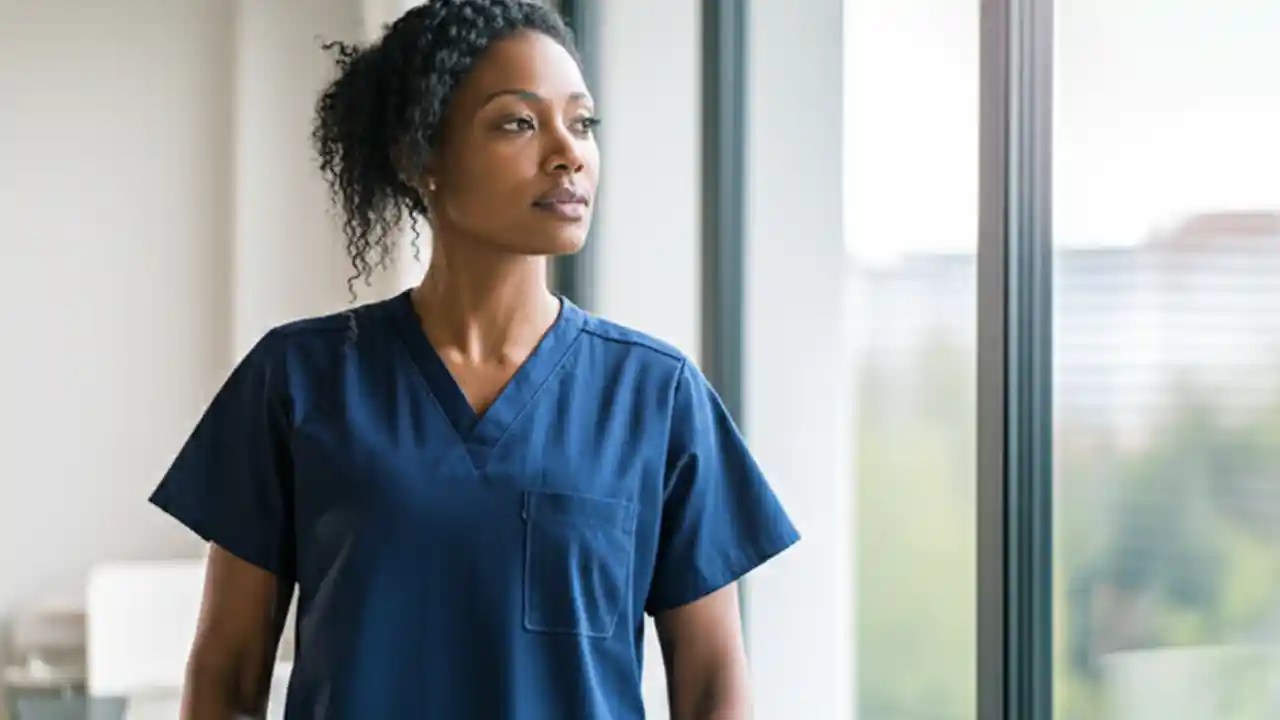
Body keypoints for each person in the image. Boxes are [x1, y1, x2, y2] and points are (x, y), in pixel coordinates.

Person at [148, 1, 799, 717]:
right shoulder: (297, 381)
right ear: (421, 157)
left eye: (581, 123)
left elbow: (712, 688)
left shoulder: (657, 397)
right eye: (518, 123)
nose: (568, 152)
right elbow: (226, 675)